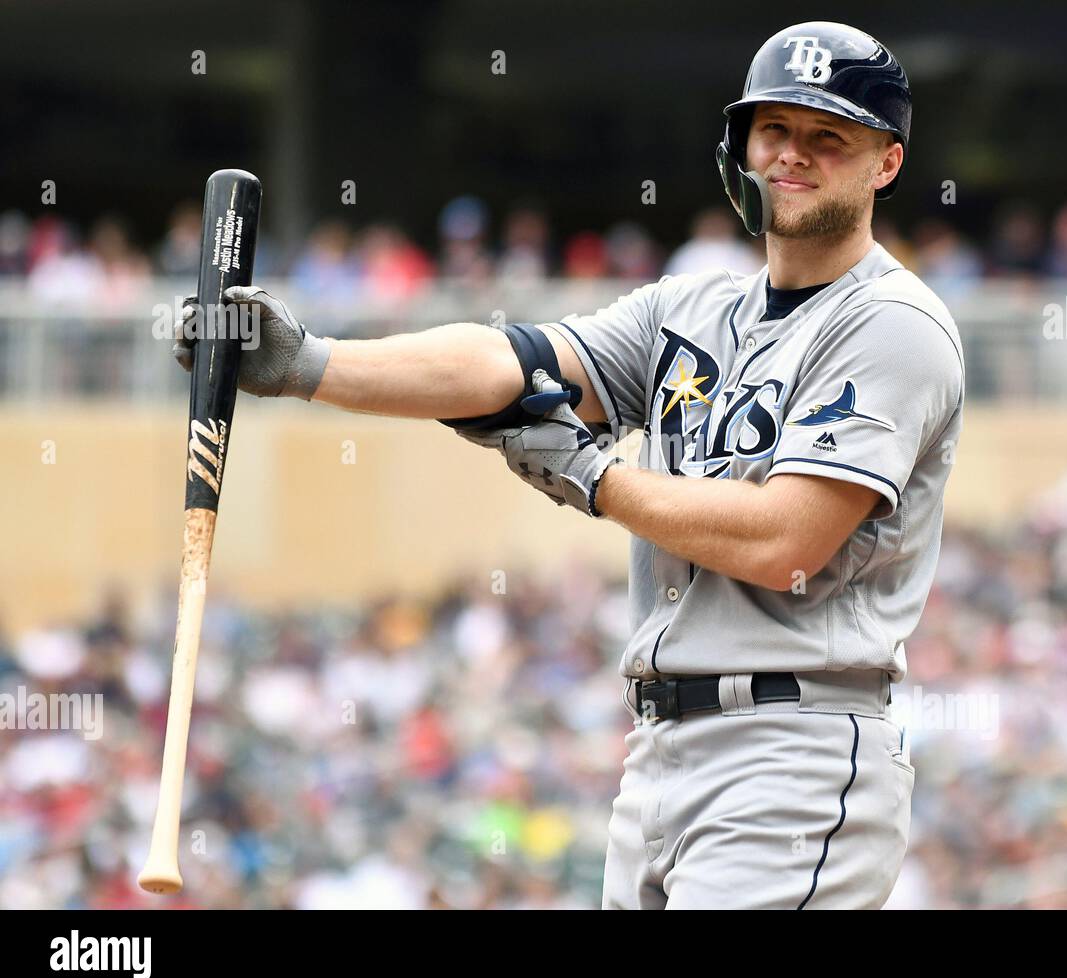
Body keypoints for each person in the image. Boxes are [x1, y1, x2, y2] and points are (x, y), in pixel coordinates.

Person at [172, 22, 964, 909]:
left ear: (885, 164)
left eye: (829, 137)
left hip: (795, 751)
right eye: (774, 129)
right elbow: (510, 365)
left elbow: (788, 542)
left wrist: (595, 478)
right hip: (660, 751)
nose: (792, 155)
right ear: (740, 143)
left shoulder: (893, 323)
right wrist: (307, 364)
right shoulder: (693, 305)